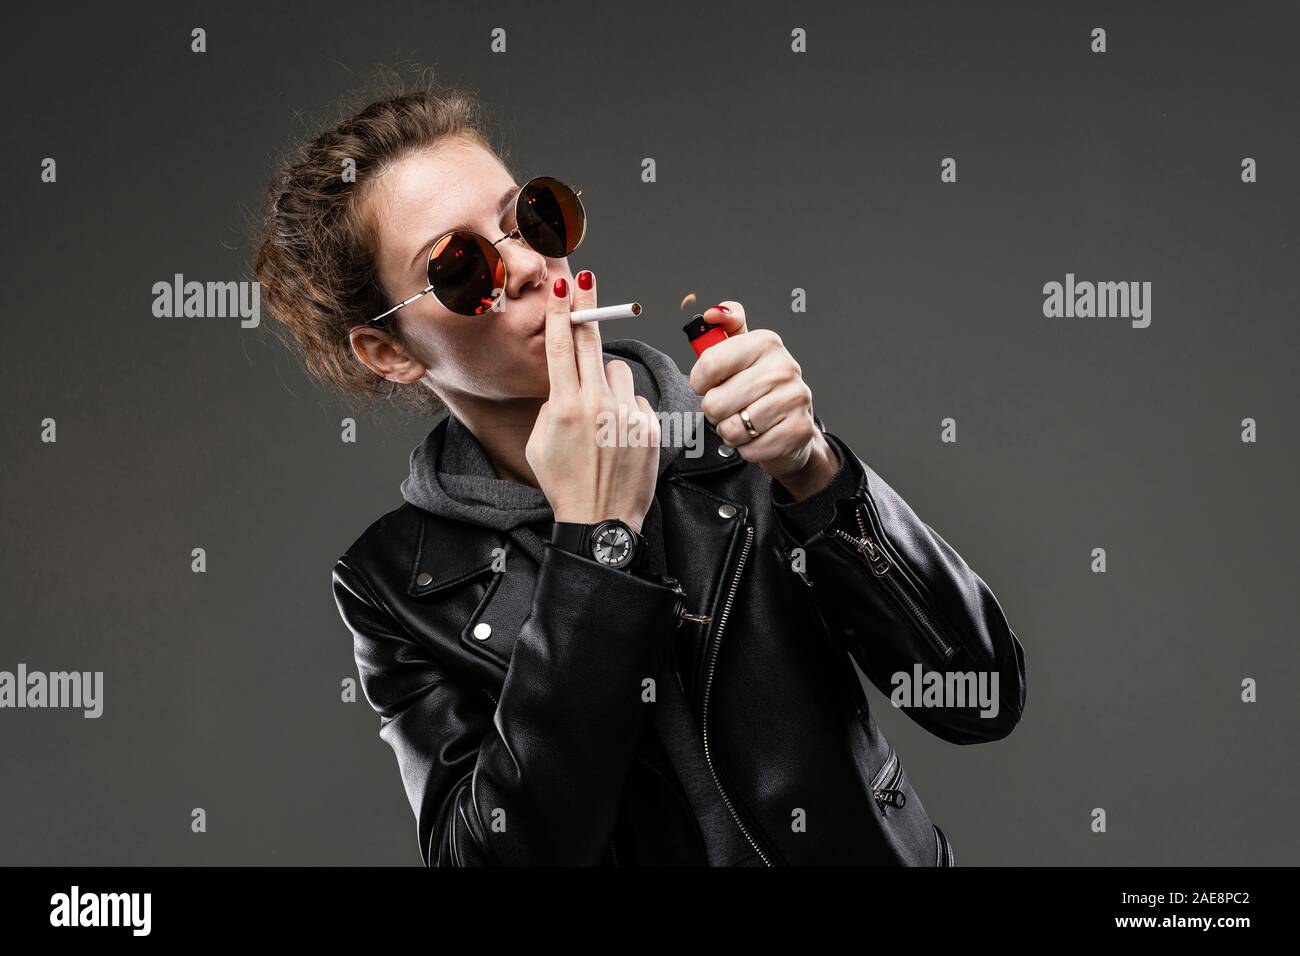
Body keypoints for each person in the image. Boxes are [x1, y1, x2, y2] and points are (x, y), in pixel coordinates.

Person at [253, 81, 1027, 866]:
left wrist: (814, 472)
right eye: (460, 266)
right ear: (391, 351)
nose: (526, 263)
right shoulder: (396, 582)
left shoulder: (733, 429)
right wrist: (595, 549)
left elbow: (984, 699)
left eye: (530, 216)